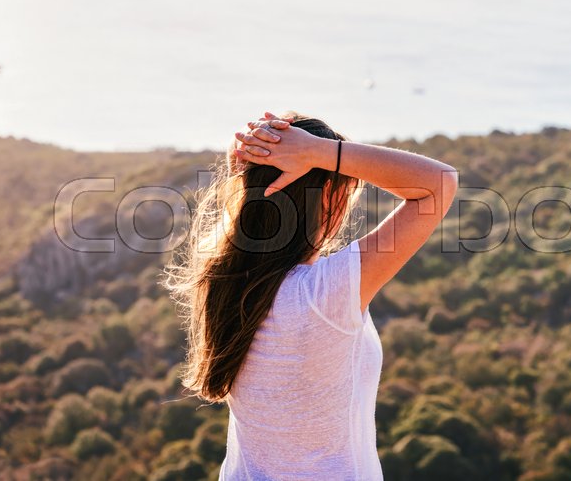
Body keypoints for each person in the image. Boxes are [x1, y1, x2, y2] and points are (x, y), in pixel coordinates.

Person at [164, 111, 458, 480]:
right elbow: (439, 183)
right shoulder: (322, 296)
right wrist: (324, 152)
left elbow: (248, 207)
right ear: (331, 197)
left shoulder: (223, 279)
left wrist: (255, 156)